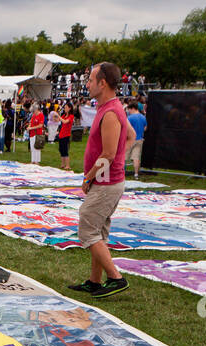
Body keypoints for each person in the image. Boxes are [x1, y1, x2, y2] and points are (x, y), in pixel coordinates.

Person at [67, 62, 129, 299]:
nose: (88, 85)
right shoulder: (108, 109)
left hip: (107, 183)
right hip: (107, 182)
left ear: (103, 83)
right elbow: (129, 137)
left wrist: (88, 176)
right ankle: (95, 281)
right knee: (99, 232)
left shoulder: (111, 112)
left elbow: (109, 154)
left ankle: (115, 277)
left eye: (91, 80)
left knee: (88, 229)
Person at [125, 101, 146, 179]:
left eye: (129, 110)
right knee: (136, 157)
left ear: (133, 108)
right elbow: (145, 128)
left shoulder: (129, 118)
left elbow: (126, 129)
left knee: (124, 157)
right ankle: (136, 174)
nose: (129, 112)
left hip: (130, 140)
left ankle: (121, 172)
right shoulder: (143, 117)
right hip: (140, 139)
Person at [56, 104, 74, 171]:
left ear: (69, 108)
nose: (64, 109)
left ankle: (67, 165)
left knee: (65, 150)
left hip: (66, 135)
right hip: (61, 134)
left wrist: (59, 116)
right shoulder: (64, 115)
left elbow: (65, 121)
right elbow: (58, 121)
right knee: (61, 150)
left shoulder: (71, 116)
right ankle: (63, 164)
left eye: (66, 107)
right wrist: (56, 116)